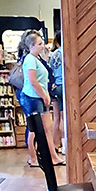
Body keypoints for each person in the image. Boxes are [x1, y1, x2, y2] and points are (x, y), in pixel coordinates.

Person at [21, 30, 65, 167]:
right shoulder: (29, 60)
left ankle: (53, 156)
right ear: (31, 46)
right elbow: (33, 81)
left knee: (47, 127)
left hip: (40, 97)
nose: (43, 46)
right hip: (32, 98)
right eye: (39, 44)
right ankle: (33, 157)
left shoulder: (38, 59)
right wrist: (44, 95)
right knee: (34, 129)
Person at [49, 31, 64, 153]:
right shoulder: (66, 52)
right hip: (64, 86)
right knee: (65, 117)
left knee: (56, 117)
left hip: (54, 86)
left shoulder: (53, 54)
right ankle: (65, 145)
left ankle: (55, 144)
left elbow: (51, 70)